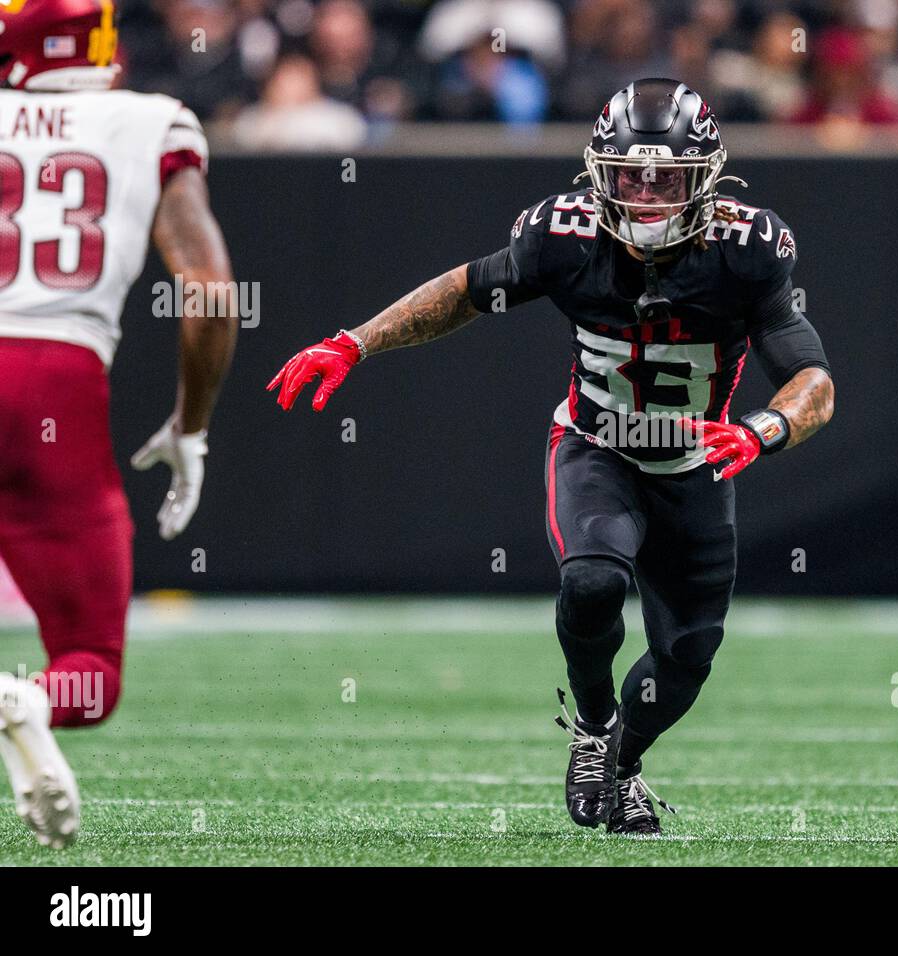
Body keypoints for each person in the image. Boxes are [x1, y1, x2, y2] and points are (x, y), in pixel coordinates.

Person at [268, 78, 833, 836]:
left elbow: (814, 380)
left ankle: (627, 761)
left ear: (706, 177)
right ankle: (595, 730)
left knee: (687, 657)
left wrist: (762, 429)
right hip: (597, 447)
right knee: (594, 580)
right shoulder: (560, 237)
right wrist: (356, 341)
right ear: (600, 172)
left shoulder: (746, 251)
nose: (648, 196)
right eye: (631, 175)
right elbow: (465, 289)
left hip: (697, 464)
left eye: (667, 178)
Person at [0, 0, 237, 848]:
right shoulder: (150, 120)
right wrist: (191, 423)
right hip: (58, 384)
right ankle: (26, 699)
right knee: (91, 673)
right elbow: (209, 294)